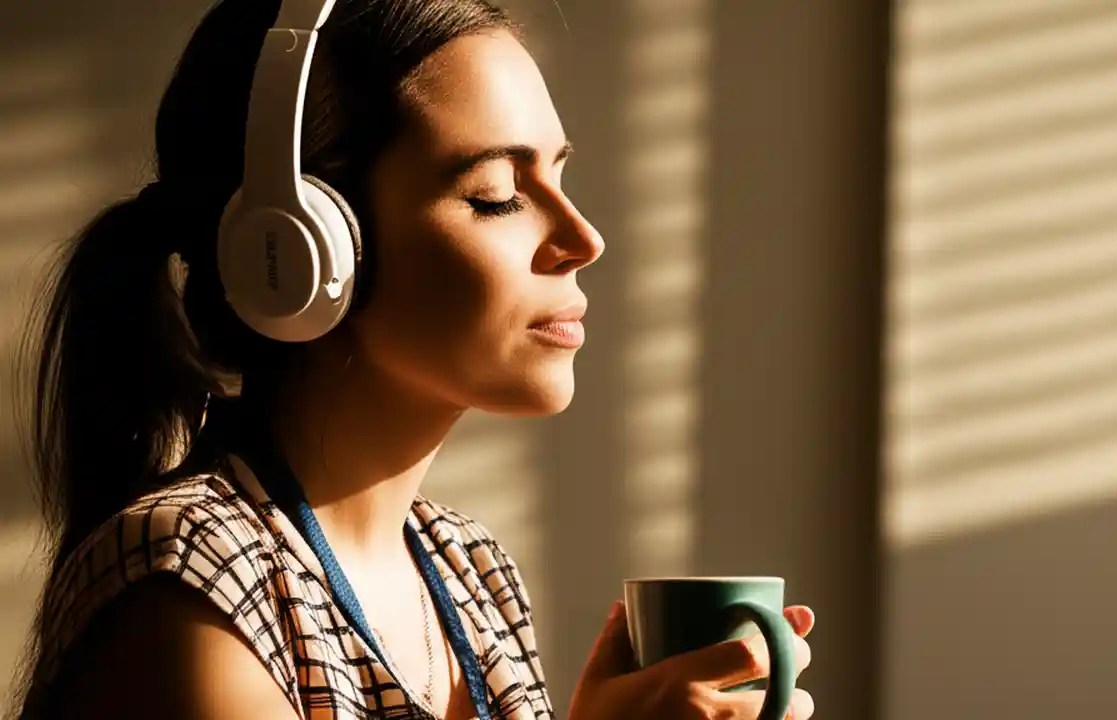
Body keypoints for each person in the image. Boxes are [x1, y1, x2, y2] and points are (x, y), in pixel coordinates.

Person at [9, 0, 817, 718]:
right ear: (300, 247)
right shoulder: (189, 591)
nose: (583, 239)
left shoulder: (469, 575)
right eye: (499, 193)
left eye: (561, 175)